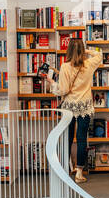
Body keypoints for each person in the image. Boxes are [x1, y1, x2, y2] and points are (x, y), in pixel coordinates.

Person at [40, 37, 103, 183]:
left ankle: (66, 168)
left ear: (68, 50)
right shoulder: (89, 64)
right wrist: (84, 50)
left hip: (69, 107)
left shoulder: (65, 67)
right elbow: (99, 54)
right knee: (81, 139)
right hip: (84, 107)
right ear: (82, 50)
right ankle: (79, 173)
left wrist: (51, 83)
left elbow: (63, 90)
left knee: (67, 138)